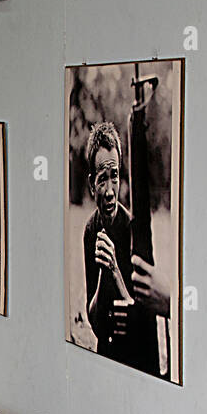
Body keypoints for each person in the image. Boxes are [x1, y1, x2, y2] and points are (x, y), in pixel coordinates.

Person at [82, 121, 135, 357]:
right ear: (92, 185)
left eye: (114, 176)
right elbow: (94, 322)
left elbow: (139, 322)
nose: (110, 191)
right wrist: (103, 271)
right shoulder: (90, 230)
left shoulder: (131, 228)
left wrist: (114, 269)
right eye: (102, 179)